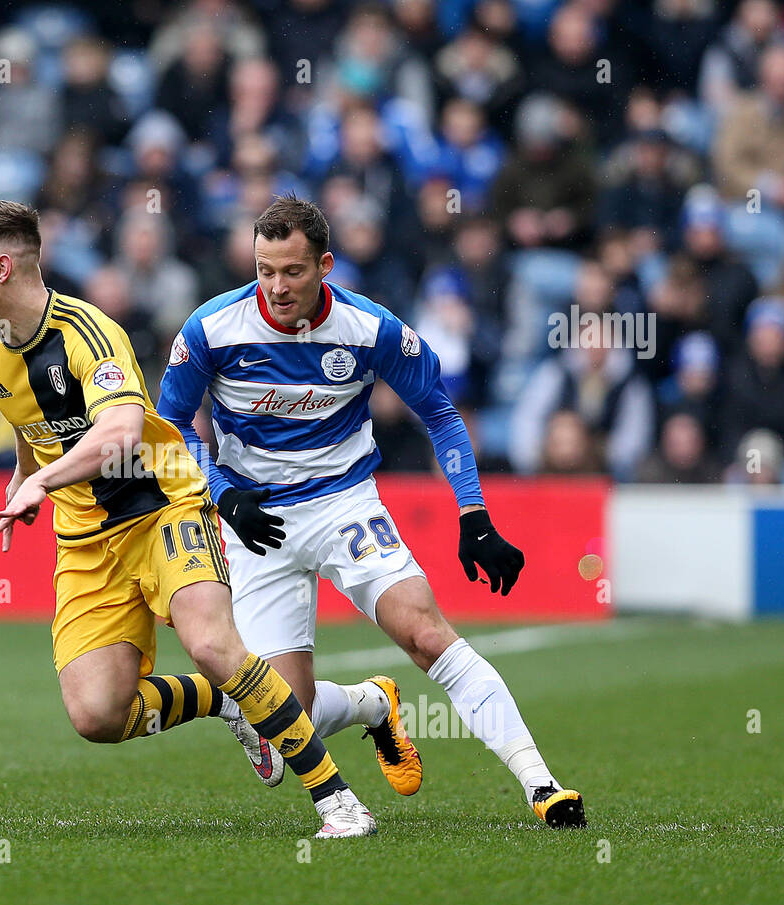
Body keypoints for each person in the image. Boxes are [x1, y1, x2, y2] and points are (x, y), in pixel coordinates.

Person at [0, 197, 383, 838]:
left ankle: (338, 802)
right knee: (99, 714)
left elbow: (123, 433)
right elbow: (27, 416)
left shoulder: (89, 332)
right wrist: (23, 471)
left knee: (211, 644)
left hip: (162, 508)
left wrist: (42, 478)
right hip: (86, 542)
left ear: (4, 267)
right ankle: (225, 703)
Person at [157, 194, 586, 828]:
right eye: (264, 271)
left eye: (293, 271)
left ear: (325, 265)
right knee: (281, 724)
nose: (276, 287)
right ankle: (371, 705)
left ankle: (541, 783)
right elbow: (168, 429)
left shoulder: (372, 328)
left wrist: (475, 515)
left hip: (342, 503)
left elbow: (440, 412)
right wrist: (221, 491)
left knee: (426, 633)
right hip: (255, 521)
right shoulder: (211, 329)